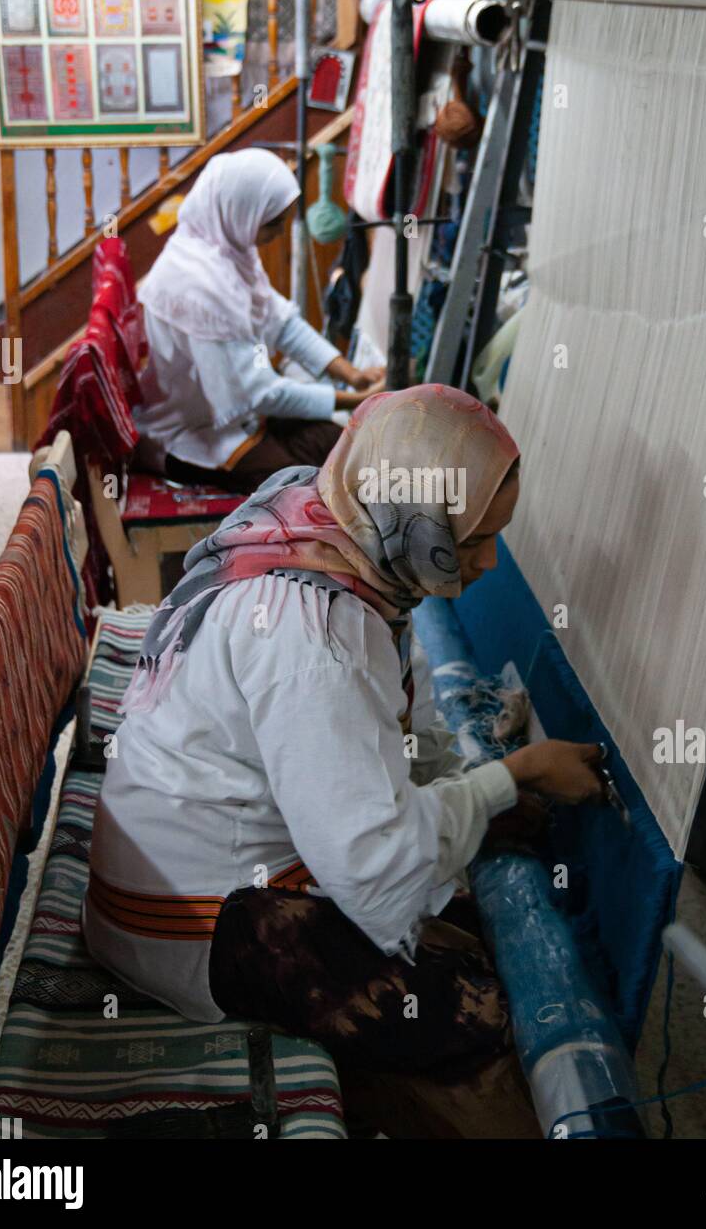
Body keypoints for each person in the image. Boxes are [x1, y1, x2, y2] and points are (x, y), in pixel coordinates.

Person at [83, 384, 604, 1138]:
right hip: (195, 917)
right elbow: (378, 867)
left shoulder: (321, 514)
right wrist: (510, 776)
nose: (490, 562)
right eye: (469, 541)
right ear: (411, 521)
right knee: (474, 1013)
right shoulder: (312, 636)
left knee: (468, 881)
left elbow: (398, 708)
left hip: (185, 845)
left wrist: (471, 788)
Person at [133, 148, 383, 494]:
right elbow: (257, 393)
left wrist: (351, 375)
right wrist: (358, 400)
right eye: (273, 224)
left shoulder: (229, 252)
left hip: (235, 415)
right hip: (186, 434)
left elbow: (280, 321)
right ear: (238, 211)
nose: (278, 233)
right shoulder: (196, 282)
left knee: (335, 446)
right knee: (299, 485)